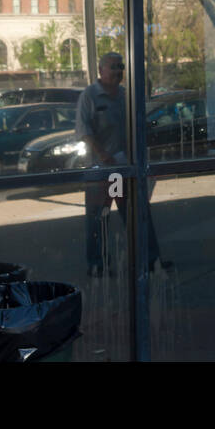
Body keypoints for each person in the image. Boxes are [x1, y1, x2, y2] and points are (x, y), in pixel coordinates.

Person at [78, 52, 170, 276]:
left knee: (138, 215)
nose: (119, 71)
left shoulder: (124, 96)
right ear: (101, 70)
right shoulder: (89, 96)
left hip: (126, 168)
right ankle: (97, 265)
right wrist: (103, 155)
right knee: (98, 218)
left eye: (121, 67)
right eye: (113, 67)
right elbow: (84, 132)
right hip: (101, 170)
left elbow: (136, 128)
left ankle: (150, 260)